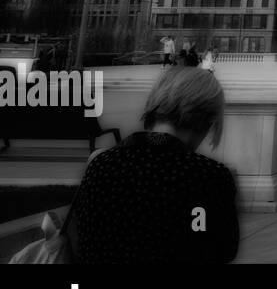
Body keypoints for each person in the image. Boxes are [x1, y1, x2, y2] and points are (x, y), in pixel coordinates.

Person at [68, 66, 239, 263]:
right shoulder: (209, 177)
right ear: (207, 121)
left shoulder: (101, 166)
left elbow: (85, 241)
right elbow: (223, 250)